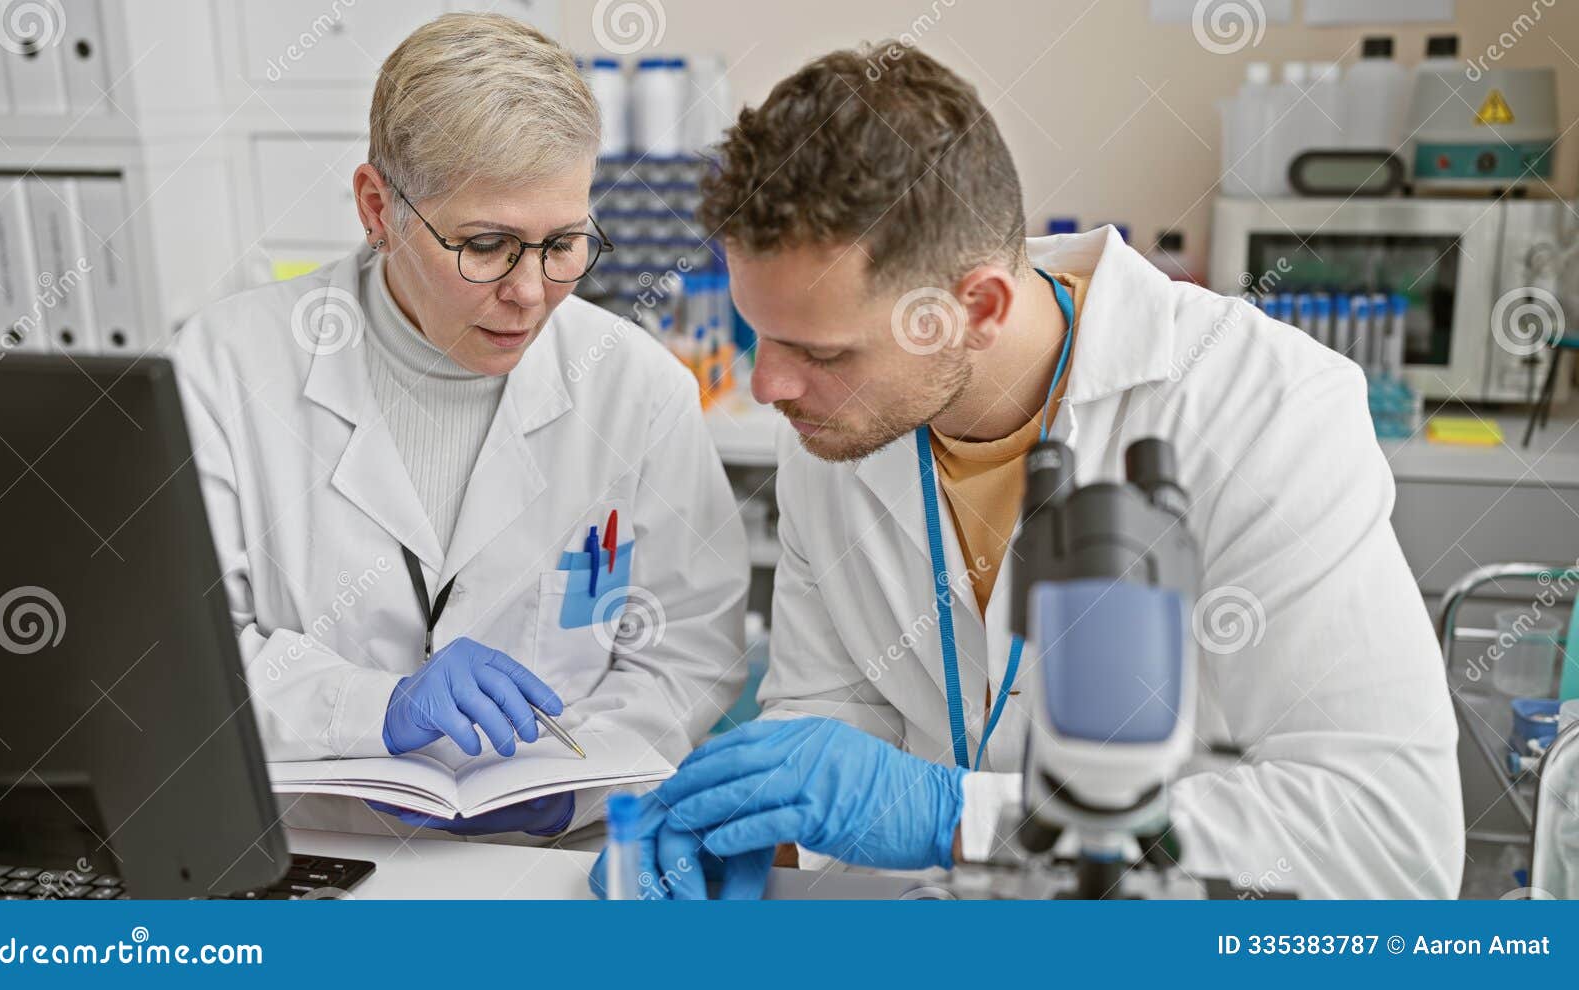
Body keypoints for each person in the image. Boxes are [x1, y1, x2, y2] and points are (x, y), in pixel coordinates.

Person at [600, 43, 1462, 897]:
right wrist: (755, 827)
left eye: (820, 351)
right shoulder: (836, 421)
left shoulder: (1261, 408)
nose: (767, 386)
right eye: (761, 334)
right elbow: (834, 712)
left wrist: (962, 819)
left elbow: (1389, 838)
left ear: (977, 307)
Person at [170, 13, 747, 842]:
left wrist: (577, 779)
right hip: (311, 850)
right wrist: (373, 708)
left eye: (564, 243)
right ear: (378, 208)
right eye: (486, 245)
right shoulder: (226, 366)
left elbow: (688, 647)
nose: (531, 292)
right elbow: (180, 653)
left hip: (549, 856)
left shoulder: (635, 388)